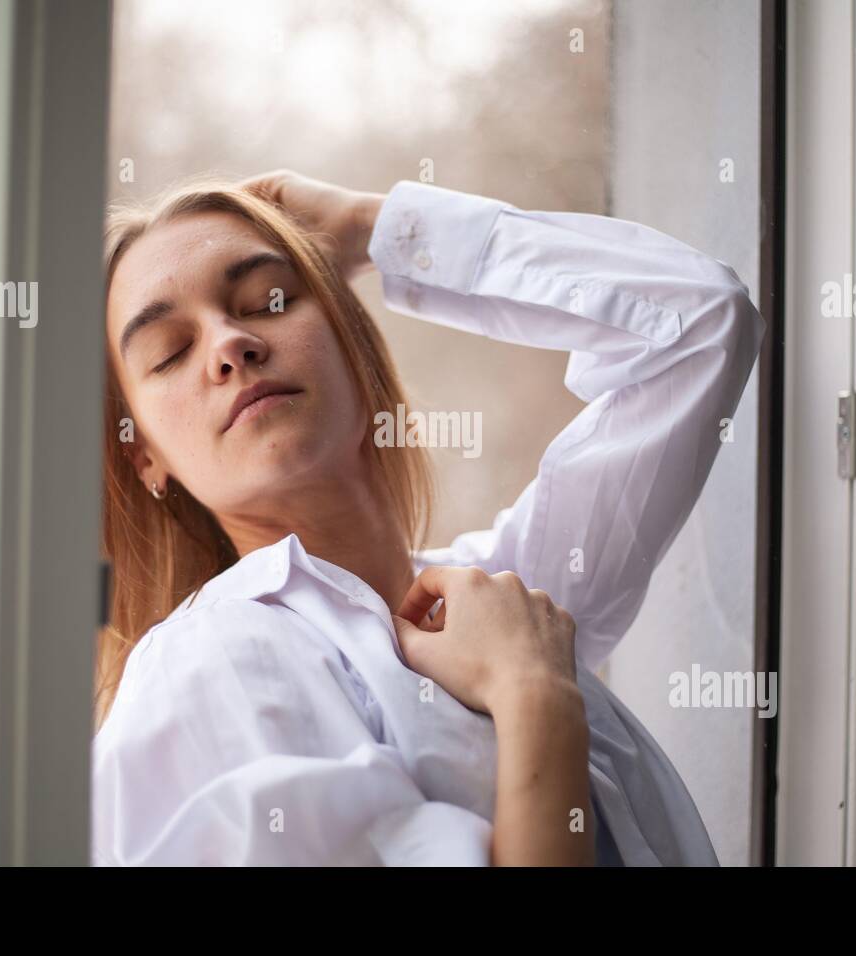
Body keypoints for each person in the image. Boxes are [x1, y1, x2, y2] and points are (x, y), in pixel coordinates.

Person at [90, 170, 764, 865]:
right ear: (144, 457)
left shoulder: (503, 597)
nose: (230, 343)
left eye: (270, 299)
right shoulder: (211, 665)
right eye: (170, 352)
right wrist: (534, 693)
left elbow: (699, 322)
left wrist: (373, 229)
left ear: (352, 341)